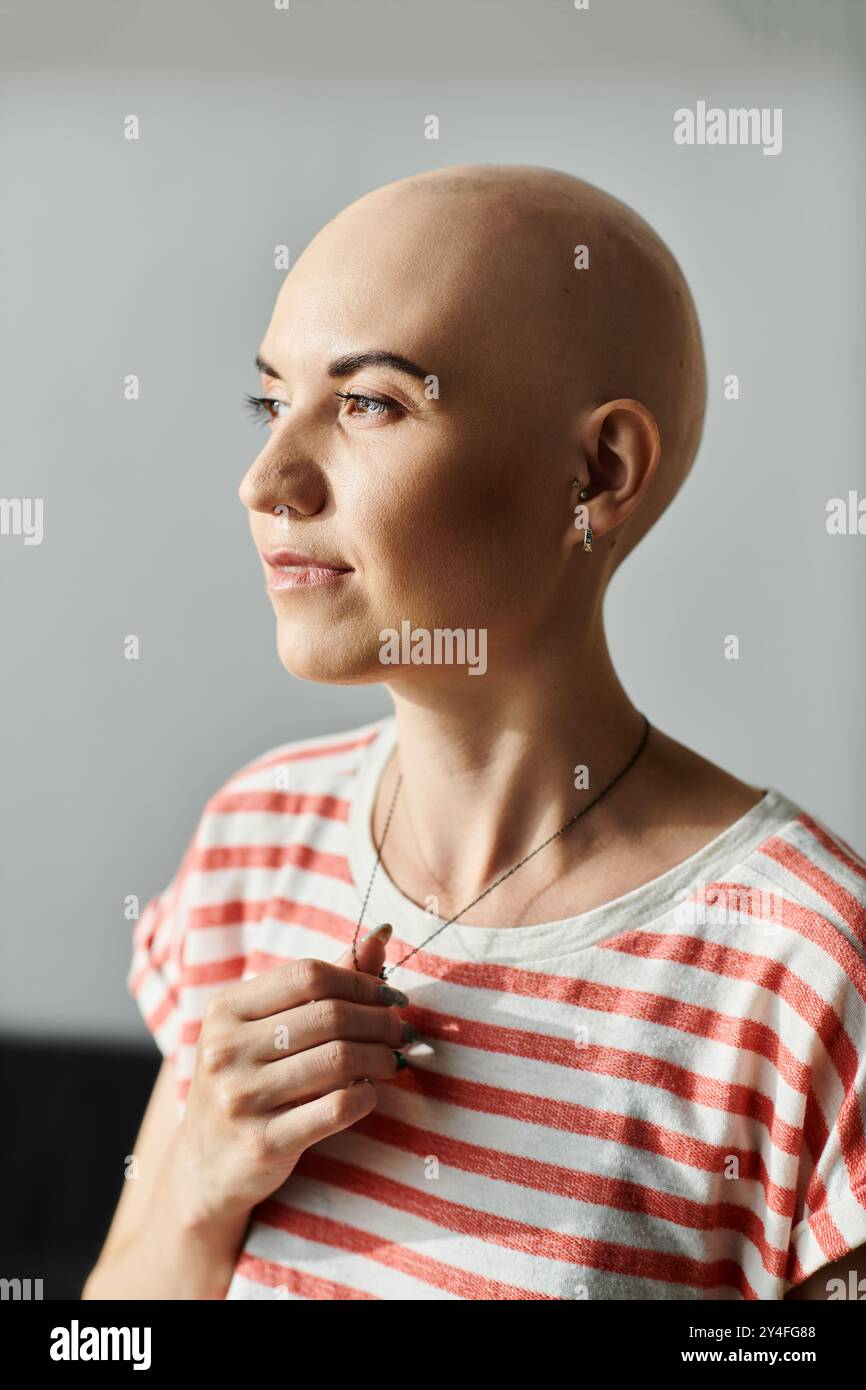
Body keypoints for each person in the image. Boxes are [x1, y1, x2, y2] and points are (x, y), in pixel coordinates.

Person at [82, 164, 866, 1301]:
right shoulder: (254, 840)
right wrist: (200, 1188)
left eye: (370, 403)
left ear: (595, 476)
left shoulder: (806, 976)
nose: (266, 479)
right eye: (271, 401)